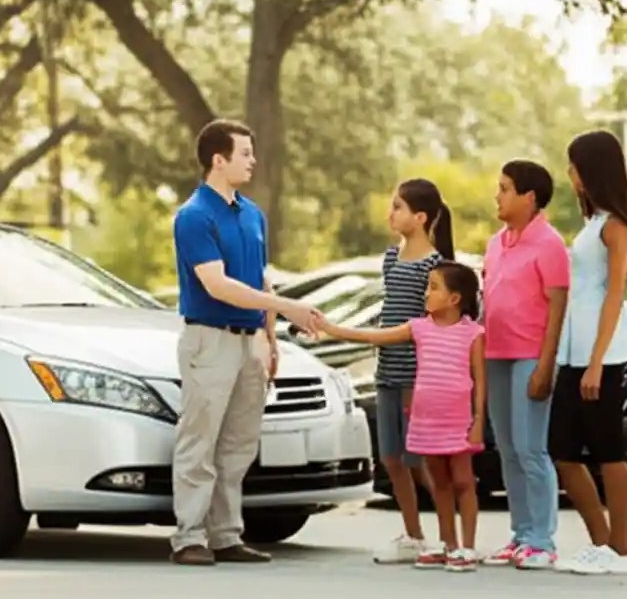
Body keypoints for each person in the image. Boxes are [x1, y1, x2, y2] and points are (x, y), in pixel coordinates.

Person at [169, 118, 322, 566]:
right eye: (245, 154)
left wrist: (269, 337)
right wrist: (292, 308)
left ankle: (225, 535)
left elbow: (260, 279)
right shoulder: (194, 216)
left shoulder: (253, 214)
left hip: (249, 342)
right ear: (219, 160)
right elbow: (217, 285)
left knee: (238, 444)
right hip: (209, 340)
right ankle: (189, 537)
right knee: (199, 441)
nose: (253, 161)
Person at [316, 262, 486, 572]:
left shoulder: (472, 333)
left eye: (433, 287)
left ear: (454, 298)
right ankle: (449, 545)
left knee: (463, 481)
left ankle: (469, 548)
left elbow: (481, 382)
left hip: (458, 422)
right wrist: (330, 329)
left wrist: (478, 421)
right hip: (426, 421)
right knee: (441, 484)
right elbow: (373, 337)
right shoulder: (418, 328)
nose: (426, 293)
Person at [551, 130, 627, 575]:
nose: (569, 174)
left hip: (602, 356)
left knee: (609, 452)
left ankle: (621, 551)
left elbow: (614, 296)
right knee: (563, 453)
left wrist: (595, 362)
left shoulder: (615, 225)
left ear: (592, 170)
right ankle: (601, 544)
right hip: (575, 354)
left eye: (574, 166)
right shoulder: (593, 223)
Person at [481, 160, 570, 570]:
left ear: (528, 196)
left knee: (532, 449)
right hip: (496, 353)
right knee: (508, 449)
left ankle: (542, 541)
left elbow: (557, 307)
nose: (497, 196)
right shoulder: (496, 242)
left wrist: (545, 366)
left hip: (531, 355)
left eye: (505, 188)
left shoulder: (550, 243)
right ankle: (521, 535)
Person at [368, 179, 455, 564]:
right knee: (391, 458)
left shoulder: (436, 265)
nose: (391, 214)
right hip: (386, 370)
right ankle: (413, 534)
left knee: (420, 459)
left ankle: (449, 538)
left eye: (398, 207)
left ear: (420, 217)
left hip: (417, 375)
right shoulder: (391, 259)